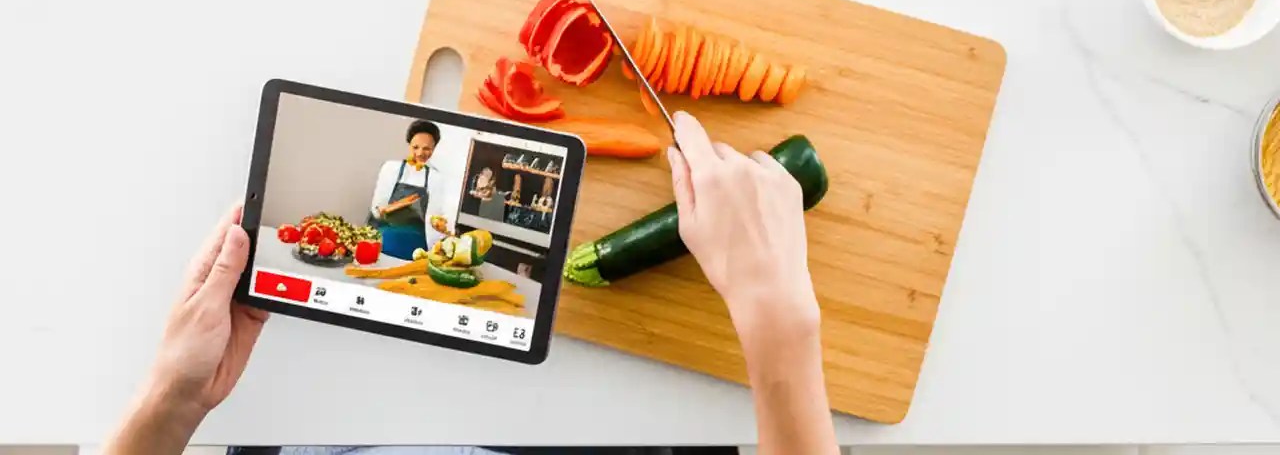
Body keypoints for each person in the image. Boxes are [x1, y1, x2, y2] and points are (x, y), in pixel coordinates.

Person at [104, 112, 839, 455]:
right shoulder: (401, 175)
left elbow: (414, 221)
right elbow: (389, 206)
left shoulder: (425, 173)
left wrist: (172, 399)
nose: (421, 151)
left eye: (427, 145)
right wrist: (780, 329)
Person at [368, 119, 448, 260]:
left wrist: (435, 249)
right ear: (409, 144)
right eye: (415, 147)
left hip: (415, 240)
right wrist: (389, 208)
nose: (420, 153)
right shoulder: (391, 168)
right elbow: (376, 210)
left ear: (434, 148)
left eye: (427, 148)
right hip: (384, 232)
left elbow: (433, 219)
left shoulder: (436, 178)